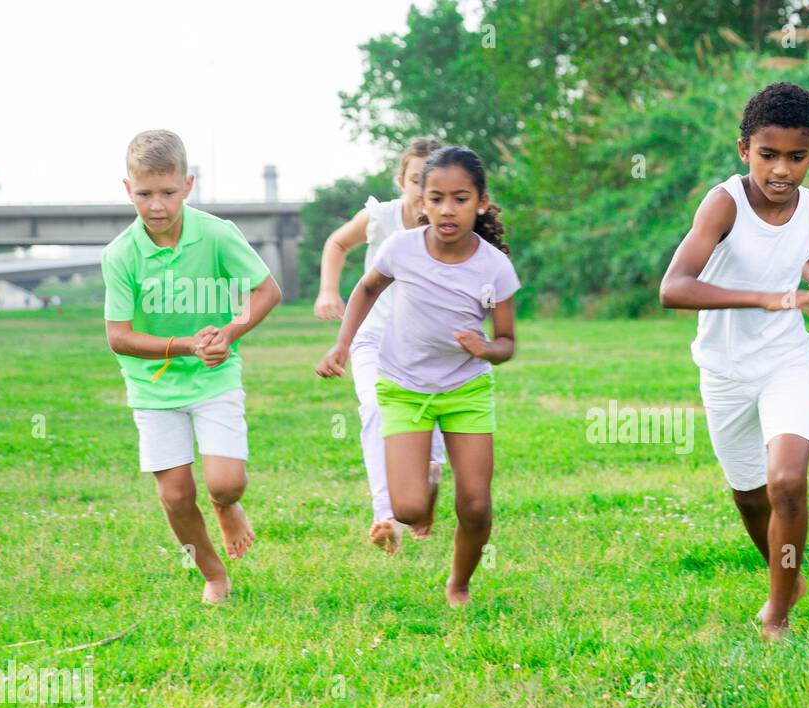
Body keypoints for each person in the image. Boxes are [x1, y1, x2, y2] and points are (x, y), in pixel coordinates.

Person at [659, 82, 809, 640]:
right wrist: (768, 296)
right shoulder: (724, 203)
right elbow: (674, 288)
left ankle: (777, 613)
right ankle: (785, 572)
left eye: (797, 157)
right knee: (750, 497)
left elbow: (803, 243)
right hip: (723, 368)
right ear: (745, 150)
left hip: (785, 359)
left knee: (787, 480)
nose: (782, 171)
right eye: (768, 155)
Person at [317, 146, 519, 607]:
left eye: (461, 198)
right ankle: (426, 486)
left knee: (475, 507)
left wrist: (486, 348)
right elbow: (366, 289)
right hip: (404, 388)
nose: (448, 209)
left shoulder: (495, 267)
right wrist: (342, 345)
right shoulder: (400, 248)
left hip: (466, 390)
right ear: (422, 202)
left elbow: (507, 341)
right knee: (408, 510)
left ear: (482, 202)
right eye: (437, 198)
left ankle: (459, 584)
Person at [102, 129, 282, 603]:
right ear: (128, 190)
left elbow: (267, 292)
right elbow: (118, 337)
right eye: (144, 194)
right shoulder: (120, 255)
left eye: (167, 192)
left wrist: (228, 334)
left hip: (214, 378)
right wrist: (186, 345)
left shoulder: (218, 235)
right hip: (153, 388)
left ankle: (227, 506)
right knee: (177, 496)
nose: (156, 205)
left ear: (188, 185)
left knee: (226, 482)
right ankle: (214, 575)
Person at [314, 137, 447, 553]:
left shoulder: (449, 224)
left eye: (431, 182)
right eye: (414, 179)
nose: (422, 190)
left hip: (427, 344)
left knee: (429, 453)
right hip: (372, 335)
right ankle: (385, 517)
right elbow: (337, 242)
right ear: (400, 180)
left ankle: (426, 490)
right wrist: (328, 292)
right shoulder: (380, 216)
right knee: (374, 408)